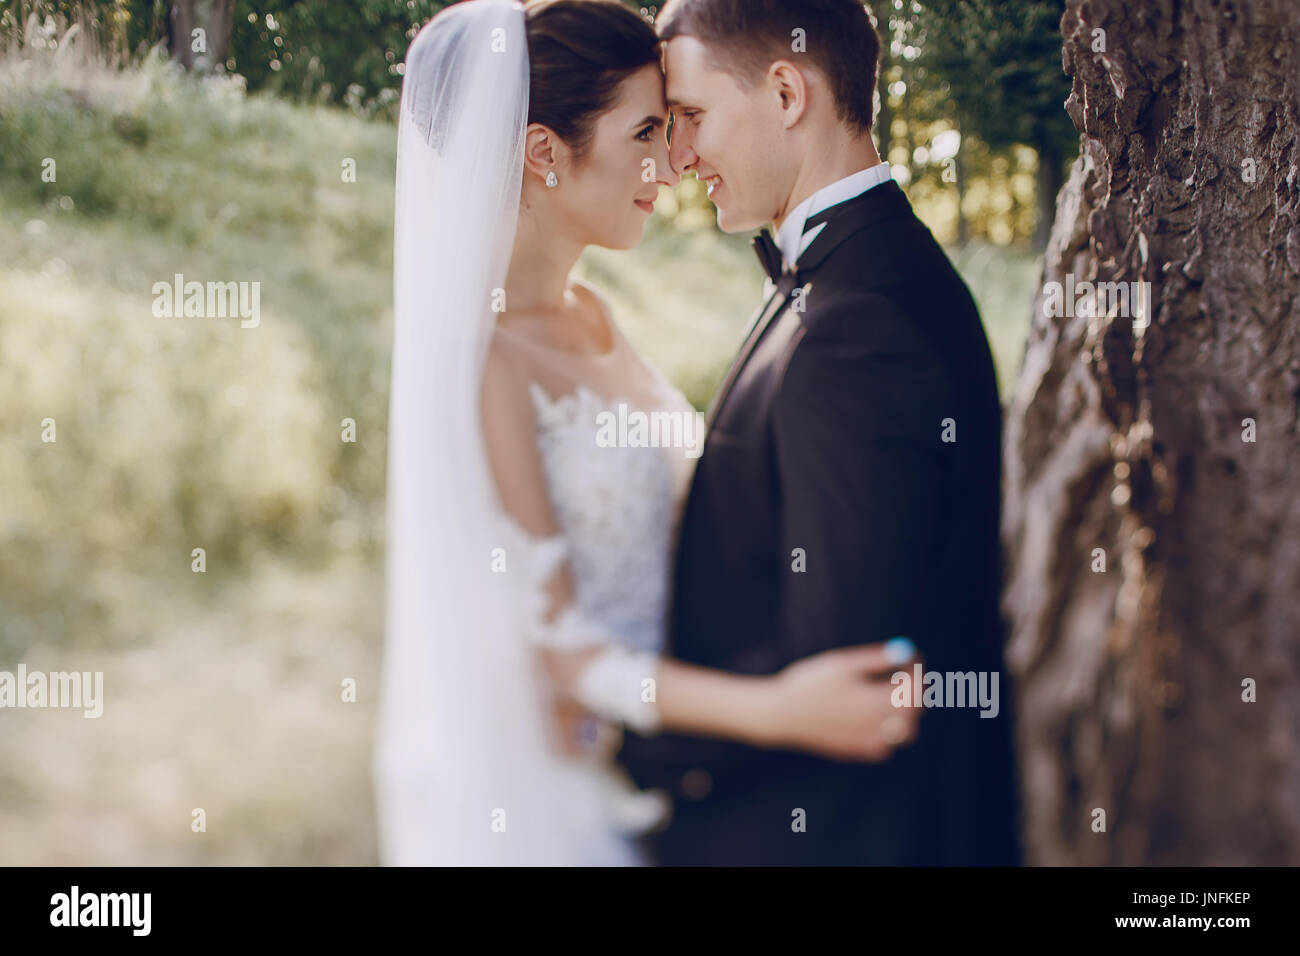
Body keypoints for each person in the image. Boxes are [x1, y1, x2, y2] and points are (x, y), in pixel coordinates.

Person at [375, 0, 925, 867]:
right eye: (644, 133)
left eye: (674, 129)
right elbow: (558, 655)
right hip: (560, 808)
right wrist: (777, 708)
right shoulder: (486, 361)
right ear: (545, 153)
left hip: (672, 780)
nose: (671, 164)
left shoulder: (596, 314)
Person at [613, 0, 1023, 866]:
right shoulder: (854, 272)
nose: (678, 157)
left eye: (691, 117)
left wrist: (628, 728)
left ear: (788, 91)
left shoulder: (861, 320)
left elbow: (846, 671)